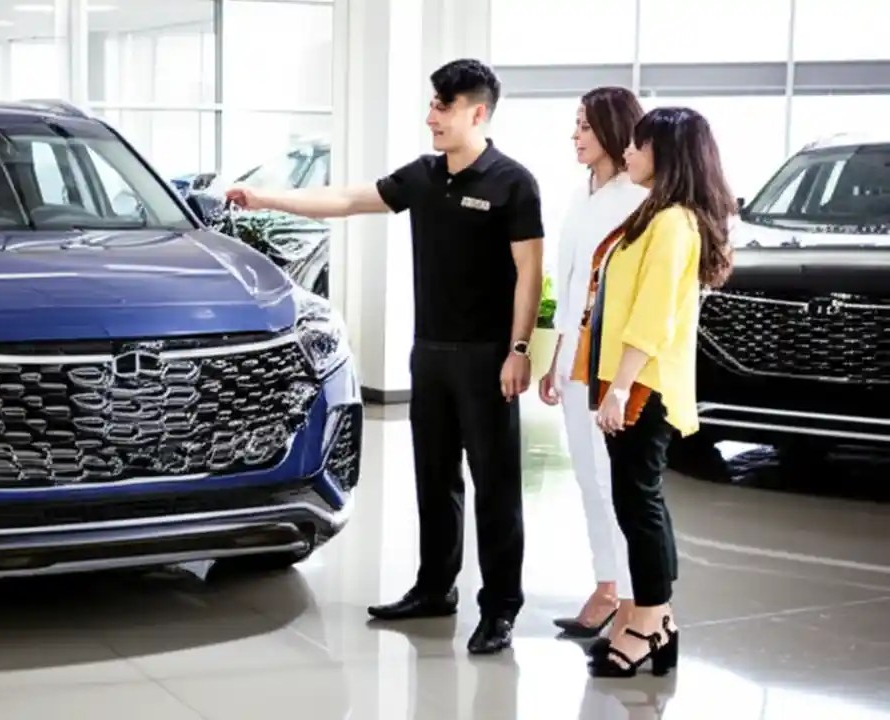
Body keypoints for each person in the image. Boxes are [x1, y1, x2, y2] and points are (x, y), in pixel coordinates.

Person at [225, 58, 544, 655]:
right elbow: (348, 199)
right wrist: (264, 198)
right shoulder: (424, 176)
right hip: (430, 354)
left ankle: (500, 606)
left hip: (486, 357)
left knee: (495, 485)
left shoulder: (512, 182)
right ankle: (433, 588)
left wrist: (518, 349)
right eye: (431, 105)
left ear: (477, 113)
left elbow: (530, 272)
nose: (431, 117)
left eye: (442, 108)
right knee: (434, 478)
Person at [571, 106, 736, 677]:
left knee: (637, 503)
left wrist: (618, 388)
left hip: (643, 384)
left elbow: (652, 315)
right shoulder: (659, 214)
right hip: (630, 379)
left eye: (639, 147)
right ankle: (656, 620)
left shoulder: (672, 223)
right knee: (637, 501)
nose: (631, 154)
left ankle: (648, 621)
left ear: (664, 155)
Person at [538, 87, 647, 644]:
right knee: (586, 478)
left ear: (611, 129)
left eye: (584, 125)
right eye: (575, 125)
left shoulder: (637, 200)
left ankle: (632, 599)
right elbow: (572, 283)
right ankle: (608, 584)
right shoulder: (581, 196)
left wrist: (621, 382)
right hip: (573, 358)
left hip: (610, 365)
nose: (575, 135)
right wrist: (553, 359)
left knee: (614, 484)